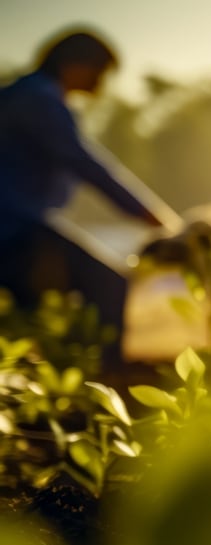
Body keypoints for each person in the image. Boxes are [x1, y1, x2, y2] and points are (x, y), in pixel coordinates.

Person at [0, 29, 166, 365]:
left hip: (16, 228)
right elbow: (85, 164)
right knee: (109, 285)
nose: (102, 84)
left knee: (35, 316)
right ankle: (104, 380)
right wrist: (149, 214)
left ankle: (52, 388)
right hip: (14, 232)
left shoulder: (20, 94)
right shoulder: (40, 100)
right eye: (100, 72)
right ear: (75, 65)